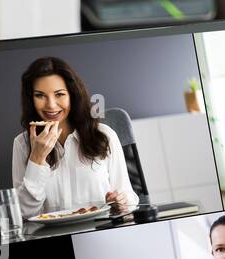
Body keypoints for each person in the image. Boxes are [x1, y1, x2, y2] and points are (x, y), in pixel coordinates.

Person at [11, 56, 138, 219]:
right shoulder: (22, 144)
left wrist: (121, 202)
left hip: (100, 231)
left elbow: (129, 199)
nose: (51, 104)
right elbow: (23, 214)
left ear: (72, 94)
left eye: (59, 94)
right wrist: (37, 158)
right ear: (31, 99)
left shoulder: (105, 135)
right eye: (40, 95)